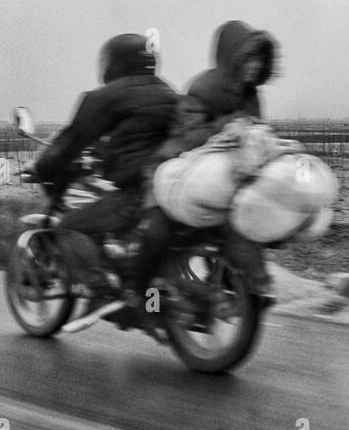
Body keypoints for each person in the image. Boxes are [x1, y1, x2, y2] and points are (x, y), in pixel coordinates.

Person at [30, 33, 179, 330]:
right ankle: (147, 301)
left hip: (139, 192)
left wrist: (43, 168)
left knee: (70, 226)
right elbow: (141, 135)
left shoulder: (108, 96)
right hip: (172, 188)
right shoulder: (169, 93)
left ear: (114, 62)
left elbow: (70, 141)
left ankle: (100, 293)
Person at [127, 20, 280, 307]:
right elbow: (188, 136)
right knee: (158, 231)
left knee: (241, 219)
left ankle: (251, 283)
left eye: (259, 59)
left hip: (221, 176)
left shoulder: (251, 95)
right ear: (232, 59)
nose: (255, 66)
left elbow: (252, 132)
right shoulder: (203, 88)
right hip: (175, 169)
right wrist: (228, 125)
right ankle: (139, 294)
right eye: (249, 58)